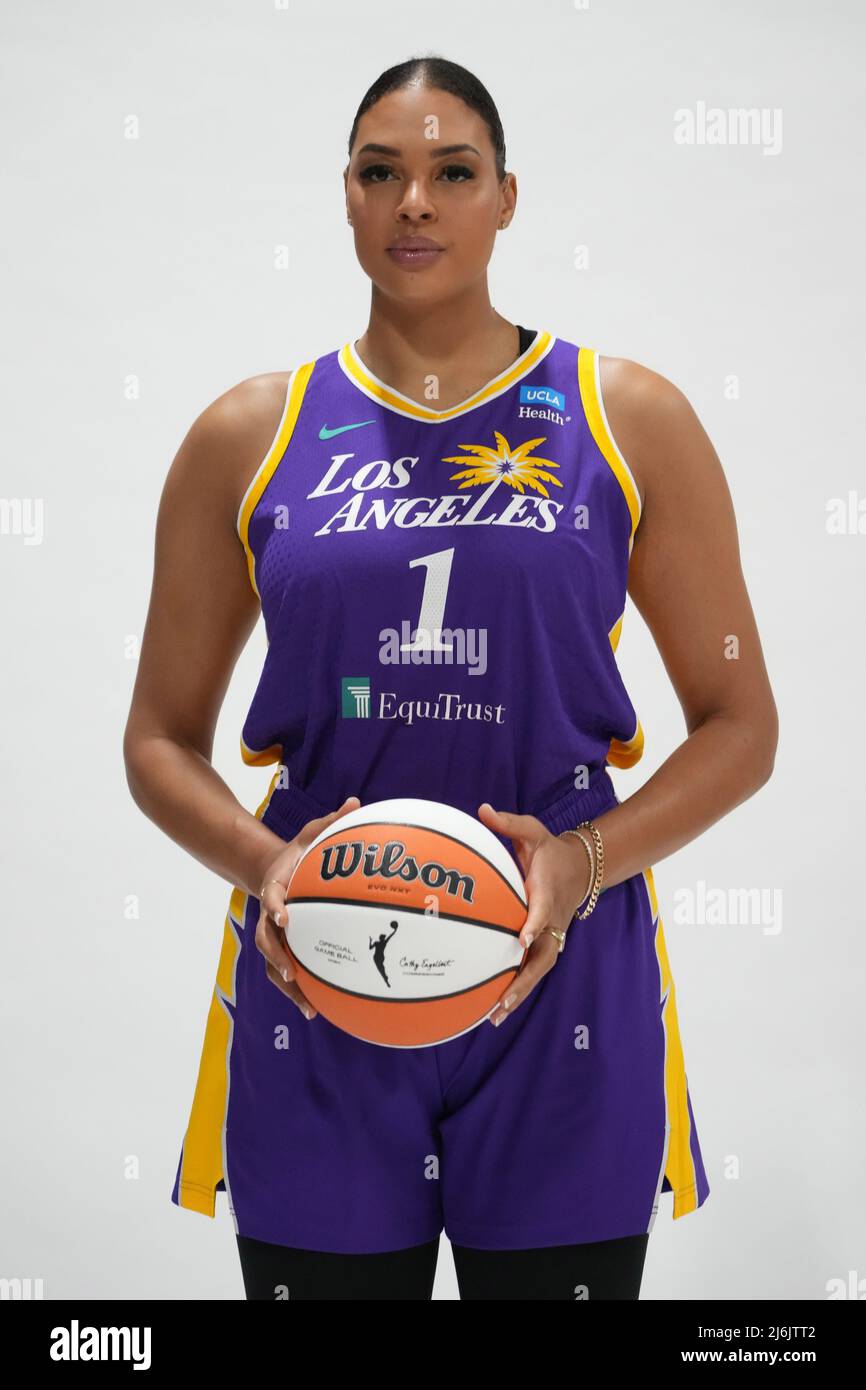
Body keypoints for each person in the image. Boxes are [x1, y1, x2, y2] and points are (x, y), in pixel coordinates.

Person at [123, 55, 778, 1301]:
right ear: (349, 201)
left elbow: (740, 721)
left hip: (562, 969)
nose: (414, 201)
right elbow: (156, 738)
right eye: (382, 173)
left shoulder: (620, 416)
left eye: (450, 172)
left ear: (505, 198)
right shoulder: (246, 435)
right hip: (310, 969)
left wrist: (581, 860)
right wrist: (275, 871)